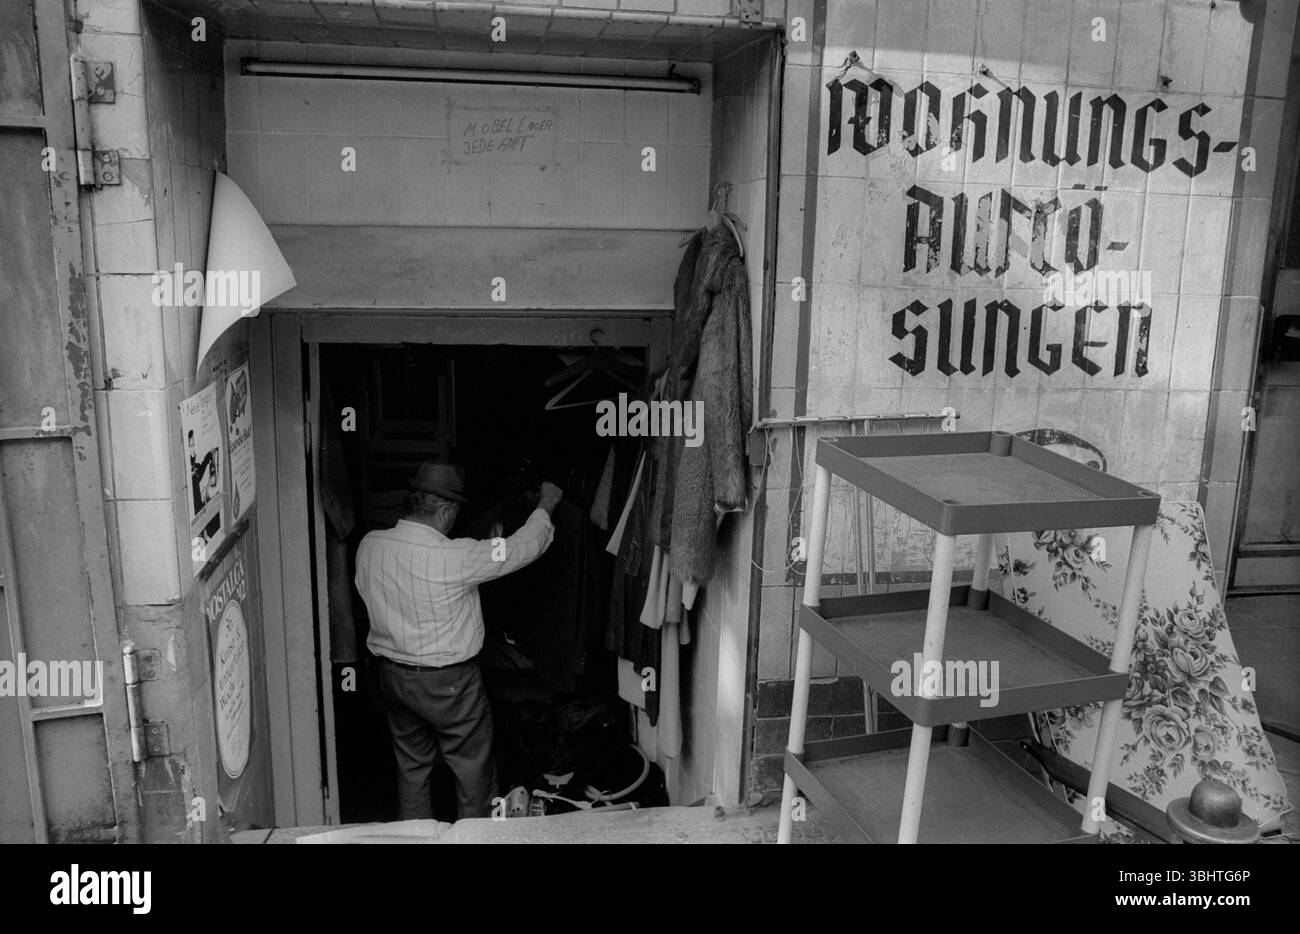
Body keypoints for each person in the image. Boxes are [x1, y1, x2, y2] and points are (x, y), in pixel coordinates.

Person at [354, 460, 562, 819]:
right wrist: (546, 505)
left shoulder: (370, 545)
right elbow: (520, 547)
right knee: (472, 768)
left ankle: (415, 839)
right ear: (446, 511)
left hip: (391, 677)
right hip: (450, 686)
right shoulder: (457, 555)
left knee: (412, 768)